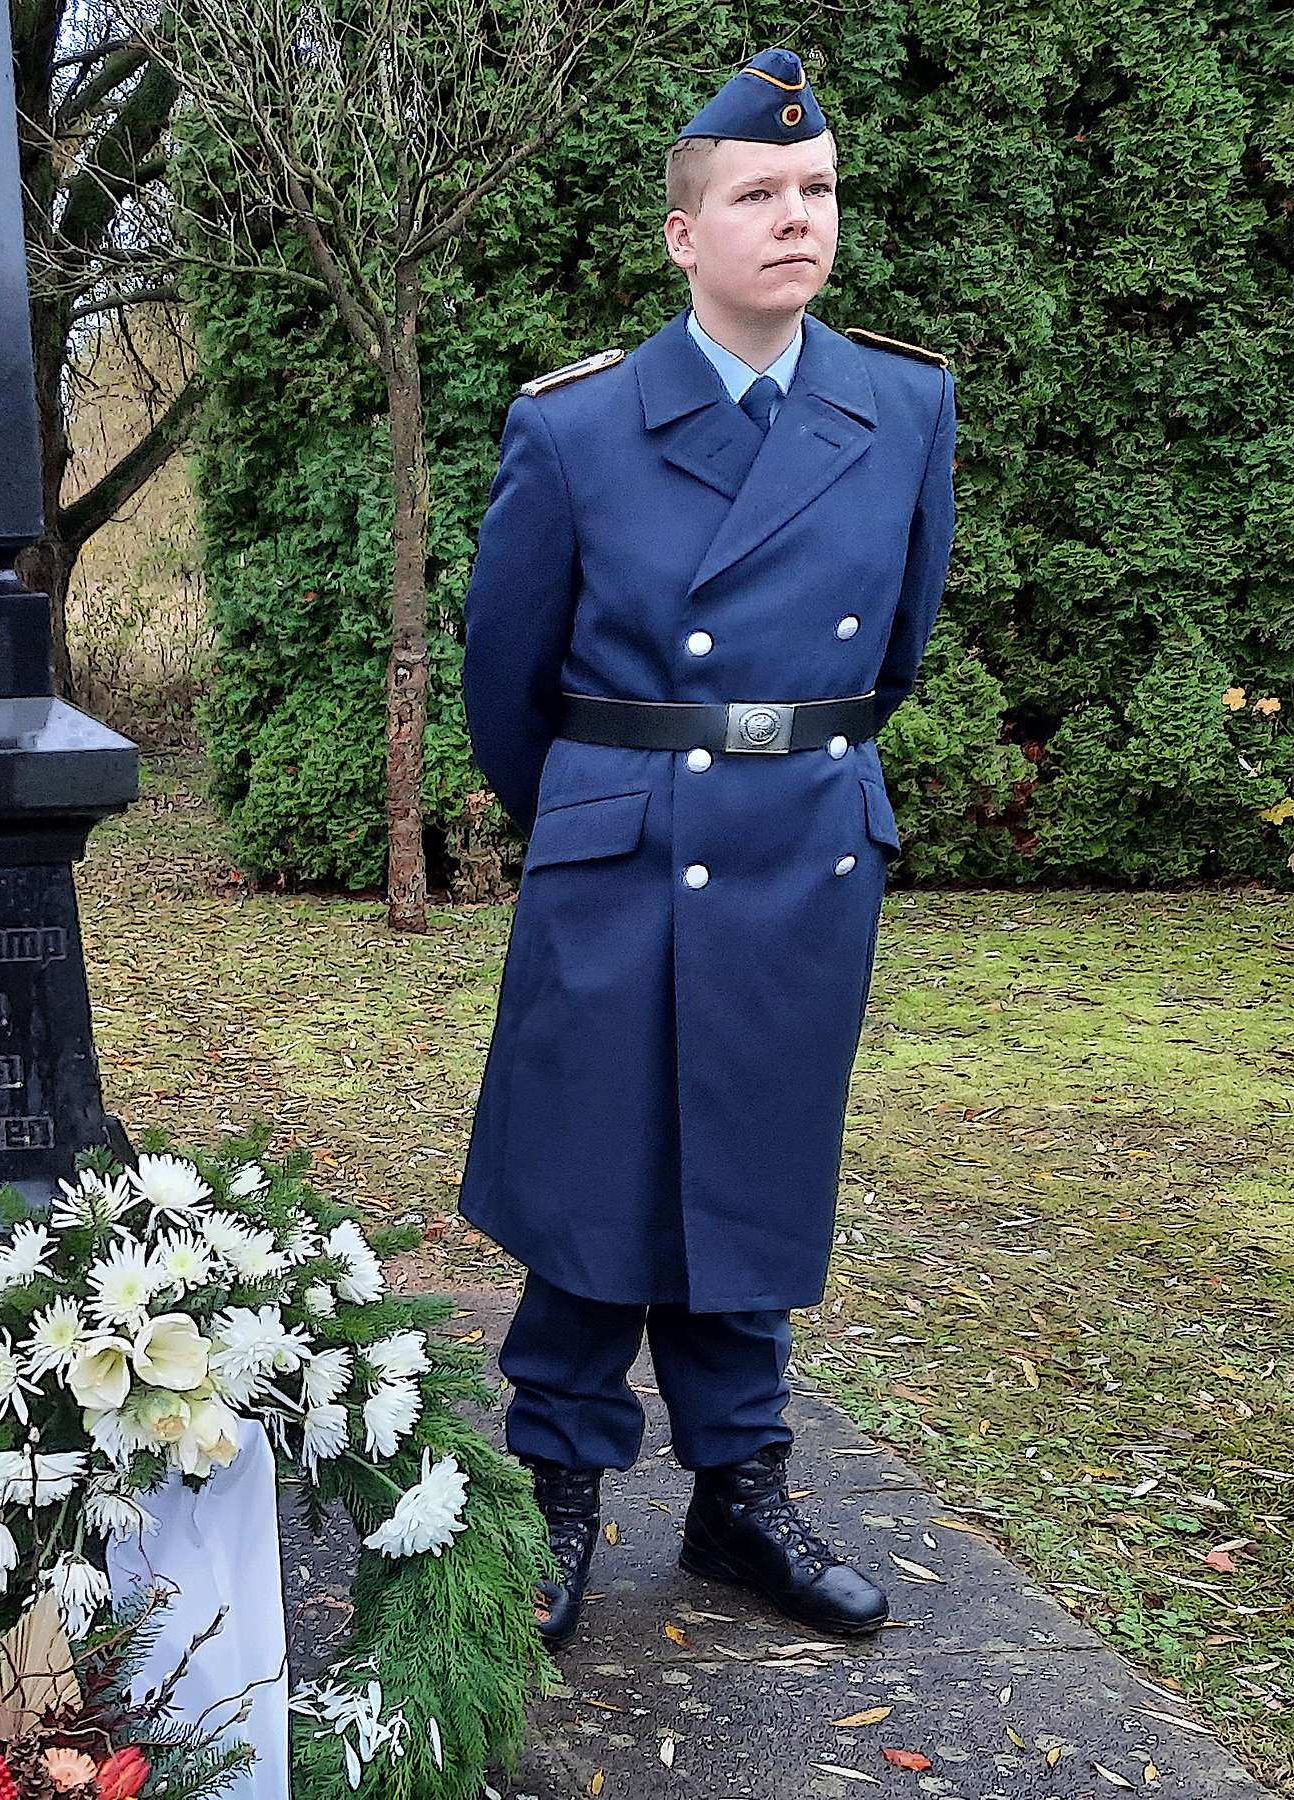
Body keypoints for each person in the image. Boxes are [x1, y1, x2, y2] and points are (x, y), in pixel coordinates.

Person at [456, 49, 957, 1649]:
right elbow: (504, 682)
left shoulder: (903, 407)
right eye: (757, 194)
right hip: (625, 840)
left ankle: (741, 1500)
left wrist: (769, 774)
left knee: (753, 1171)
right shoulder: (580, 426)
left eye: (814, 193)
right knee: (593, 1179)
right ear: (686, 235)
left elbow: (895, 655)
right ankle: (557, 1494)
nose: (794, 219)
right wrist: (615, 809)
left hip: (802, 839)